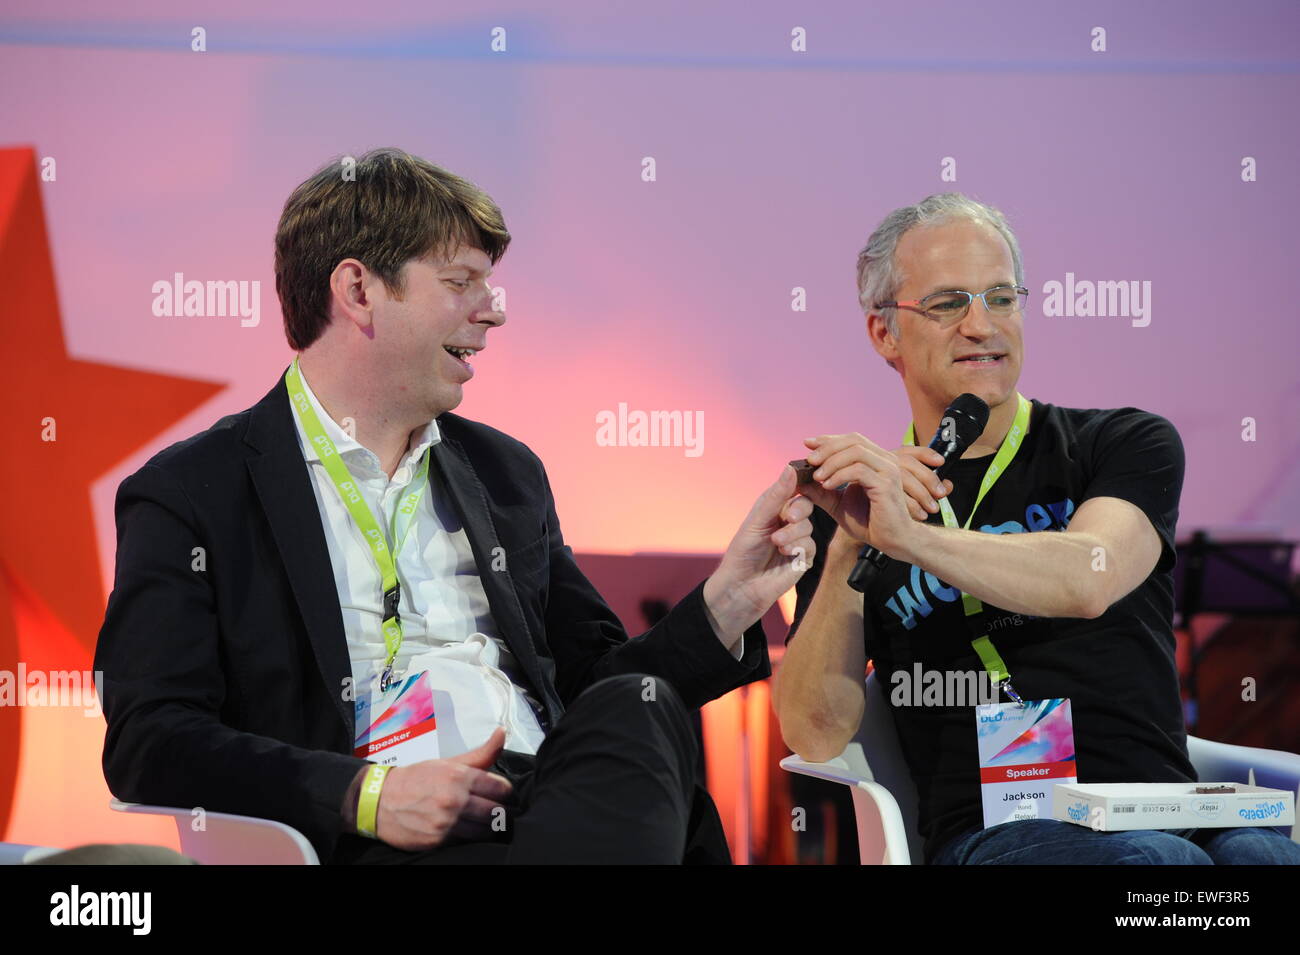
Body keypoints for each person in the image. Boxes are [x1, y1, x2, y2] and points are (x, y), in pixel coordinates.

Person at [95, 147, 815, 865]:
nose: (494, 311)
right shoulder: (193, 491)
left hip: (553, 805)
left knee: (639, 706)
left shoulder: (506, 474)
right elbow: (150, 738)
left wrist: (726, 602)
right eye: (461, 282)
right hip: (381, 831)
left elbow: (600, 688)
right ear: (359, 290)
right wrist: (367, 793)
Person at [773, 192, 1300, 865]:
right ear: (884, 334)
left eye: (1001, 297)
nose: (981, 324)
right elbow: (815, 733)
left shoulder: (1121, 443)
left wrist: (914, 539)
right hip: (996, 831)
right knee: (1162, 870)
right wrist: (851, 540)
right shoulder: (859, 507)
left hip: (1165, 804)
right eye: (947, 303)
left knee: (1261, 859)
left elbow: (1090, 577)